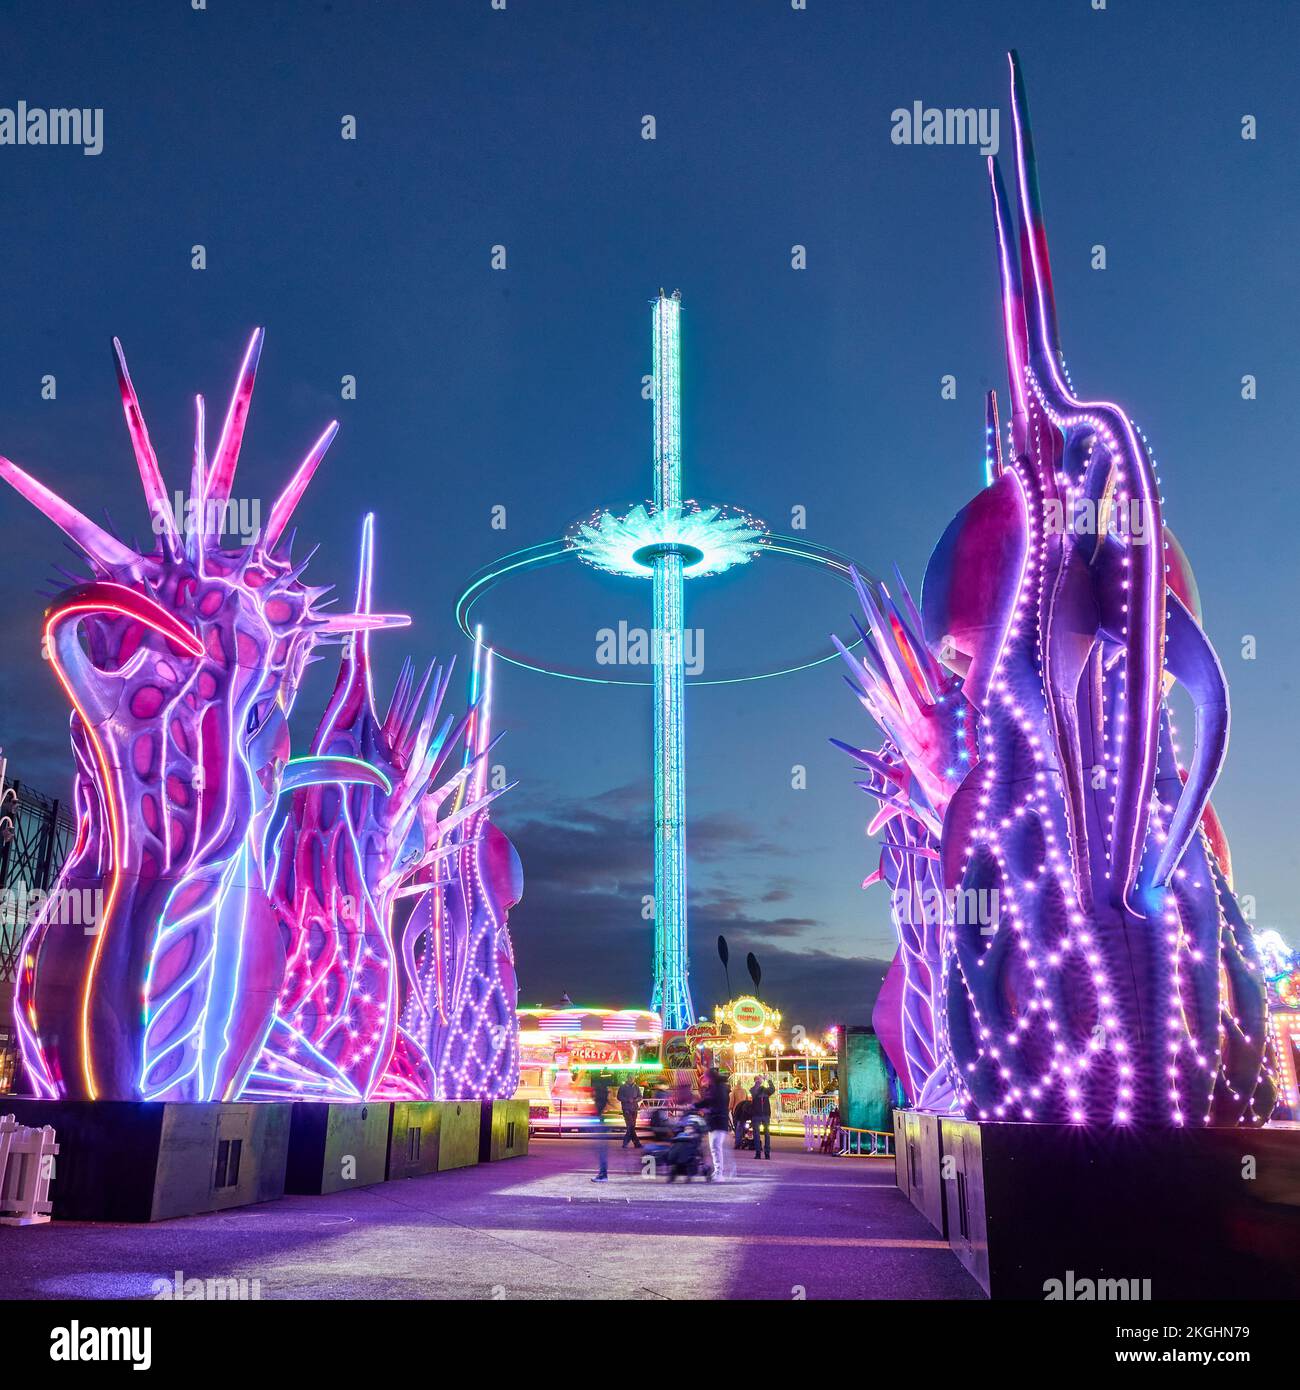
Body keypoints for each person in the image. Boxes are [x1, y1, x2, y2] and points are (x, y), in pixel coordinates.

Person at [698, 1067, 732, 1181]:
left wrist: (709, 1109)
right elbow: (708, 1101)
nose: (705, 1080)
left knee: (716, 1147)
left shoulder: (718, 1089)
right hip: (715, 1121)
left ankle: (719, 1173)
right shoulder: (716, 1087)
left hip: (718, 1121)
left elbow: (715, 1103)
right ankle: (718, 1172)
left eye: (706, 1077)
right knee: (714, 1147)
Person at [591, 1073, 612, 1181]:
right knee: (601, 1149)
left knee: (601, 1149)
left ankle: (603, 1174)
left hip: (600, 1122)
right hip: (601, 1120)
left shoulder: (599, 1097)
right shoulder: (603, 1094)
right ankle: (603, 1173)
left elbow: (598, 1107)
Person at [750, 1076, 775, 1159]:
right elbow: (754, 1091)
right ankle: (760, 1153)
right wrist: (761, 1081)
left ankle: (763, 1153)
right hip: (760, 1114)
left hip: (760, 1115)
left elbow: (772, 1089)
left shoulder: (765, 1090)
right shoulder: (754, 1090)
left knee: (764, 1134)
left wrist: (768, 1080)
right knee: (760, 1134)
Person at [616, 1076, 643, 1148]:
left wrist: (635, 1099)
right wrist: (627, 1100)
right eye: (630, 1078)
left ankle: (625, 1142)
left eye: (632, 1078)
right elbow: (619, 1097)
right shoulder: (622, 1087)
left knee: (631, 1127)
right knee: (631, 1126)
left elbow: (640, 1097)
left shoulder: (636, 1087)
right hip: (626, 1109)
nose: (631, 1079)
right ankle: (637, 1143)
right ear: (627, 1078)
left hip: (634, 1109)